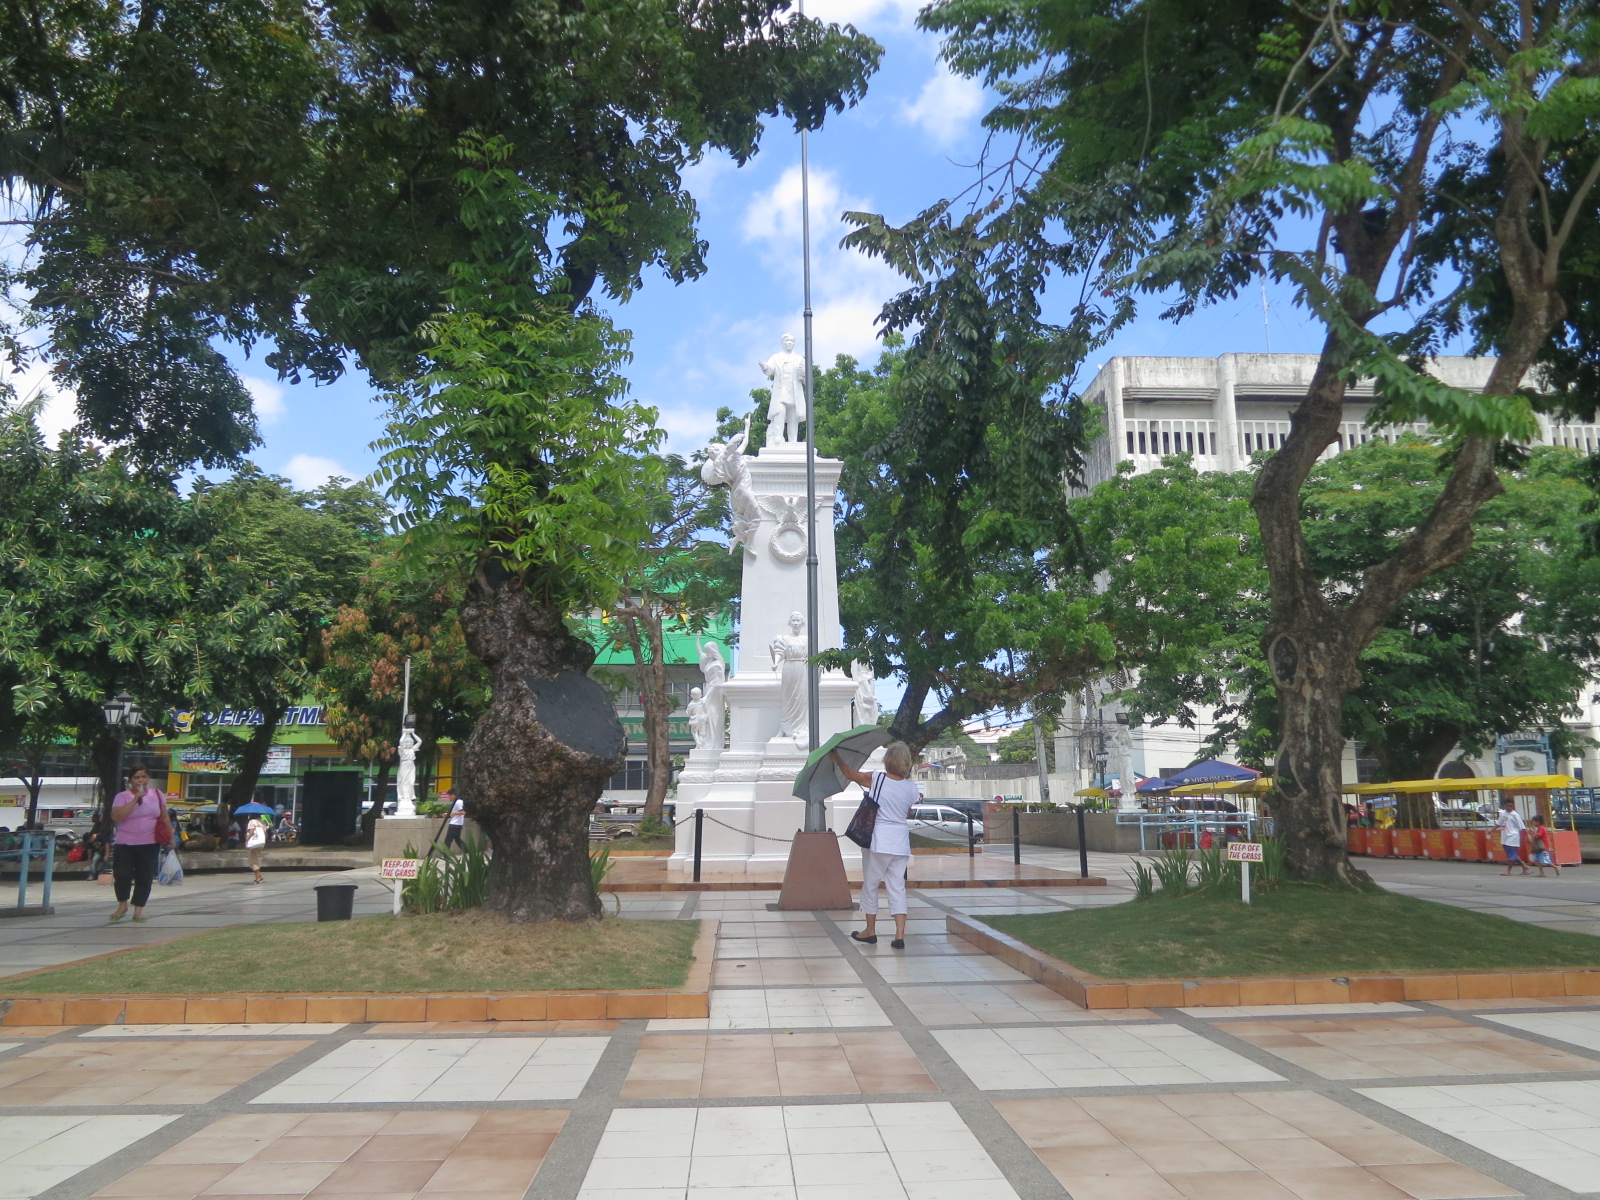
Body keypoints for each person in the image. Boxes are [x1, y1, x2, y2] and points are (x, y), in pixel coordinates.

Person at [831, 741, 919, 949]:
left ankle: (870, 931)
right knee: (897, 888)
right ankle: (899, 935)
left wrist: (837, 759)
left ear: (888, 760)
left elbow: (850, 774)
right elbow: (904, 810)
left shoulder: (877, 778)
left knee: (871, 886)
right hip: (900, 843)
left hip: (879, 841)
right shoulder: (911, 787)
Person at [108, 767, 169, 923]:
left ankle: (138, 910)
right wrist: (135, 799)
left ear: (148, 778)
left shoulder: (157, 794)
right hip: (125, 843)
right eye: (136, 777)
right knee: (122, 875)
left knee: (145, 877)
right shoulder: (122, 796)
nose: (140, 780)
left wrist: (170, 837)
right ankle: (122, 905)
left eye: (144, 776)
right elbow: (116, 816)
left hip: (149, 843)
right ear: (130, 780)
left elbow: (164, 816)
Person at [1496, 798, 1529, 876]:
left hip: (1513, 836)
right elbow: (1499, 823)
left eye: (1511, 806)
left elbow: (1522, 827)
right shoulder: (1502, 814)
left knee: (1511, 854)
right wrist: (1491, 830)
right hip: (1505, 836)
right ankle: (1524, 866)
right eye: (1507, 806)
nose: (1509, 808)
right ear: (1505, 806)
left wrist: (1528, 836)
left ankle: (1508, 871)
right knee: (1511, 854)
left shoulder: (1515, 815)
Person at [244, 815, 268, 884]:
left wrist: (247, 840)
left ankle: (258, 878)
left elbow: (251, 831)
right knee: (254, 859)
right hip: (260, 843)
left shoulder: (252, 821)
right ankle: (259, 875)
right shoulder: (262, 822)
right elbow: (265, 833)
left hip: (254, 843)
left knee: (253, 860)